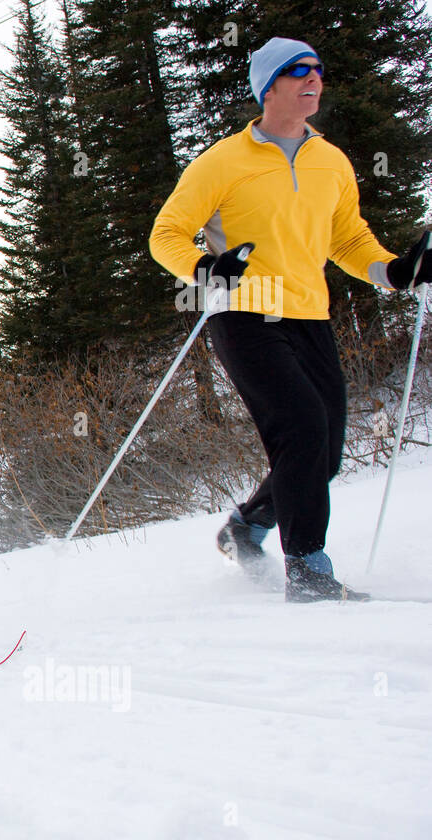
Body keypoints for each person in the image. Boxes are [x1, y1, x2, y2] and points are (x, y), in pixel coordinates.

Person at [150, 37, 432, 602]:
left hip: (310, 315)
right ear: (268, 87)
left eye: (319, 72)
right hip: (246, 313)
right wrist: (207, 266)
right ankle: (307, 571)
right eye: (298, 71)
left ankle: (246, 527)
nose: (314, 80)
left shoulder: (331, 160)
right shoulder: (222, 161)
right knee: (301, 428)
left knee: (323, 453)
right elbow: (165, 236)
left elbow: (347, 238)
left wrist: (393, 273)